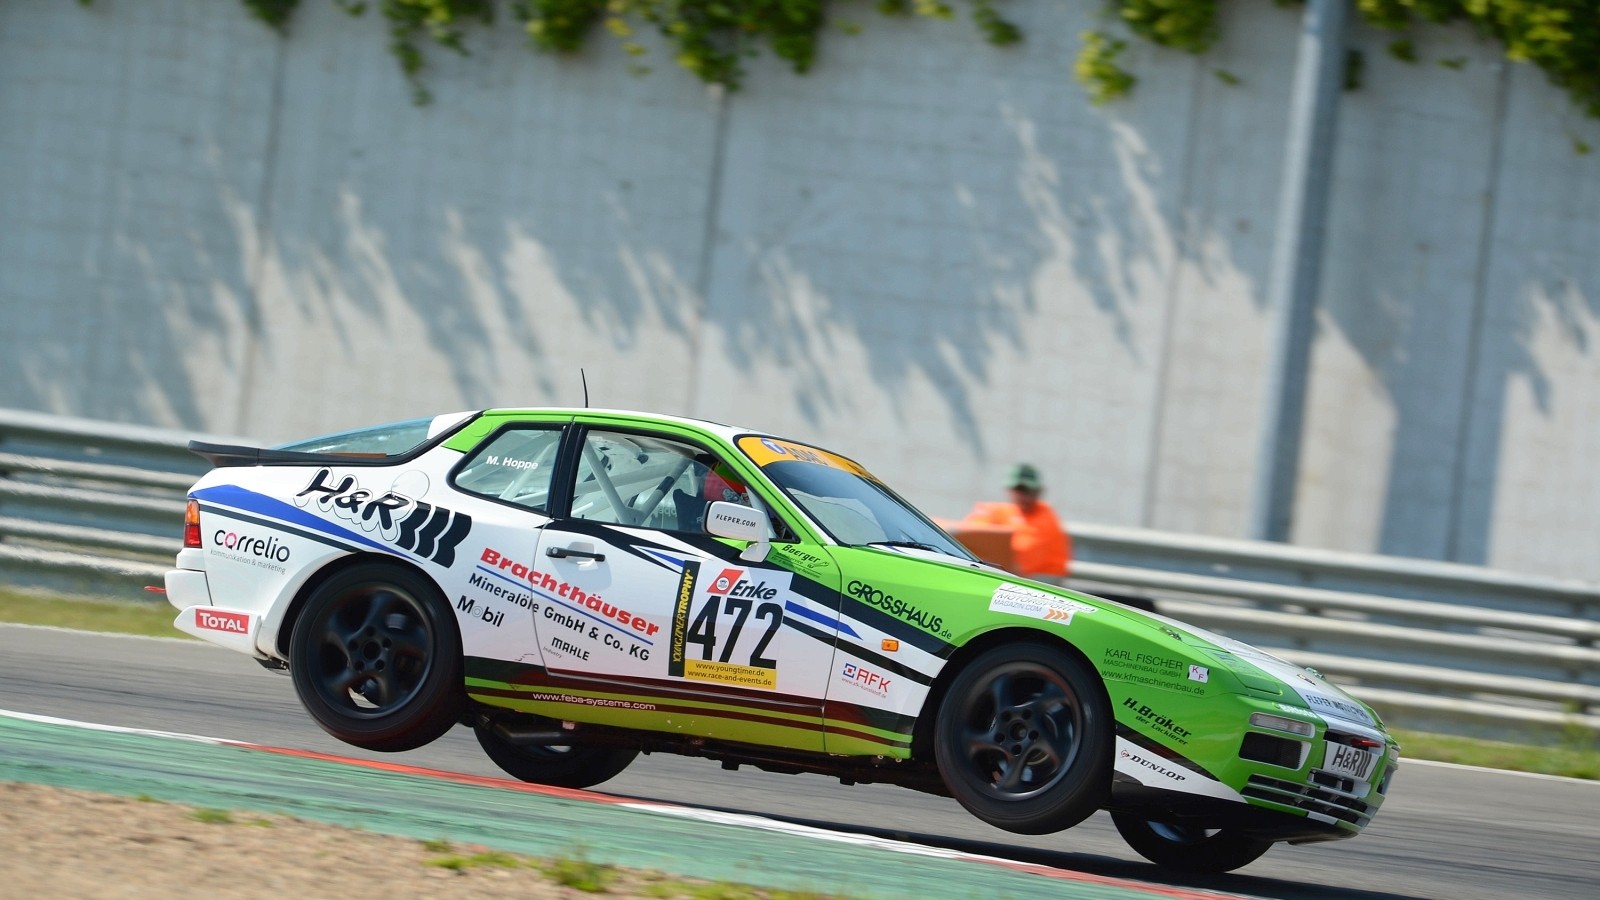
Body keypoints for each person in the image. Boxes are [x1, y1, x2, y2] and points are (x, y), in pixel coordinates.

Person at [961, 463, 1071, 581]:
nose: (1024, 496)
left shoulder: (1045, 515)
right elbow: (970, 533)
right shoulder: (1001, 511)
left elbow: (1027, 551)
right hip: (1012, 577)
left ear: (1039, 492)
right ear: (1009, 490)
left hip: (1041, 581)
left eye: (1028, 491)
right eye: (1019, 490)